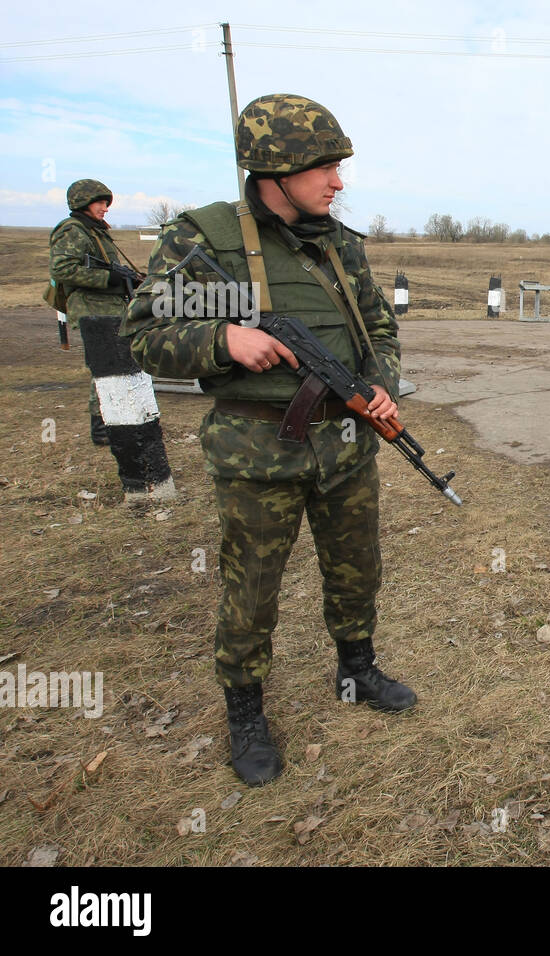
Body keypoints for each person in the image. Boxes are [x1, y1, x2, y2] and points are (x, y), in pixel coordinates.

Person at [121, 94, 416, 786]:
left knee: (356, 567)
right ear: (272, 171)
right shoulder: (205, 239)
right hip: (257, 455)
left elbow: (379, 330)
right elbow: (144, 331)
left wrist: (381, 385)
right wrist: (224, 337)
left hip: (346, 446)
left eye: (338, 168)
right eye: (323, 169)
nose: (338, 182)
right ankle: (246, 712)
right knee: (251, 588)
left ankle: (357, 670)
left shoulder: (339, 245)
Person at [49, 180, 141, 444]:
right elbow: (62, 270)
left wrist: (128, 279)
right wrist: (108, 279)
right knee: (106, 366)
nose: (105, 209)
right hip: (93, 309)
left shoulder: (94, 230)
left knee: (119, 363)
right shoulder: (73, 230)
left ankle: (116, 421)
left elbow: (108, 269)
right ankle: (102, 428)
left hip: (108, 307)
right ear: (83, 203)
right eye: (100, 203)